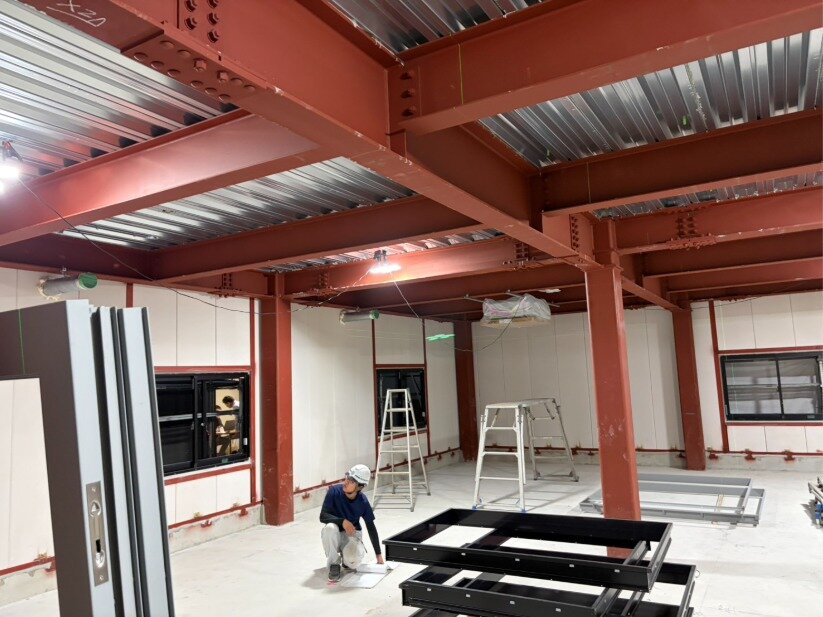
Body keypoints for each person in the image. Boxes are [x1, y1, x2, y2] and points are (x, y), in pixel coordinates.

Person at [319, 464, 384, 582]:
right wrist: (342, 521)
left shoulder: (363, 502)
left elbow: (371, 527)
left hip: (351, 534)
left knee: (352, 562)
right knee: (329, 528)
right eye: (347, 477)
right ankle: (334, 563)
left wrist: (378, 555)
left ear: (360, 486)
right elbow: (323, 516)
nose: (346, 482)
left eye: (352, 481)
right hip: (335, 533)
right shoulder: (334, 491)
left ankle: (346, 559)